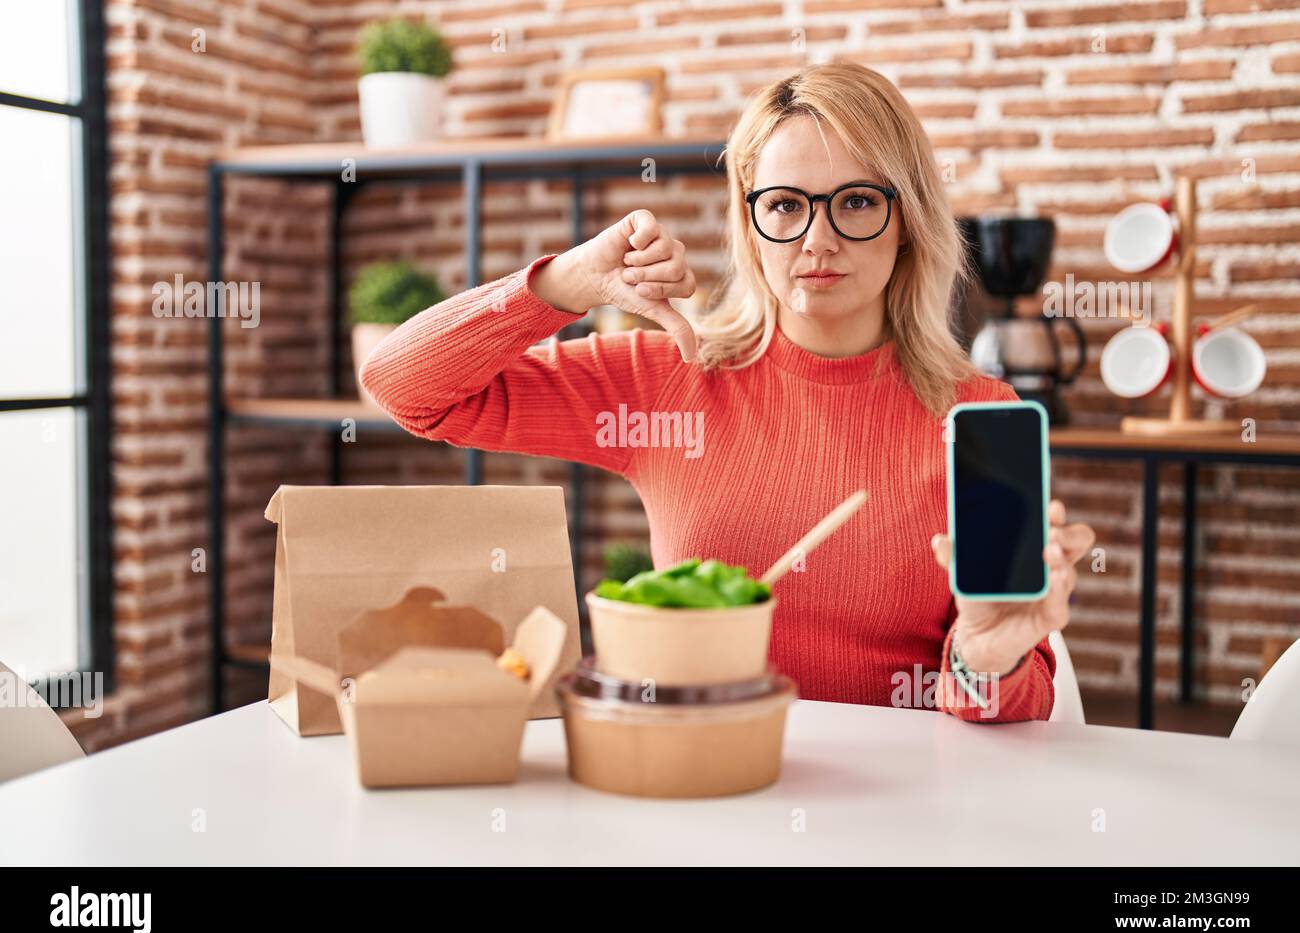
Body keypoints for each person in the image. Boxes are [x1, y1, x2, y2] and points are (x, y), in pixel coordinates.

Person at [360, 62, 1096, 722]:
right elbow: (406, 388)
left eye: (858, 202)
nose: (817, 240)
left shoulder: (979, 416)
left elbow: (1010, 708)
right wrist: (561, 285)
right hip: (704, 788)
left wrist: (983, 658)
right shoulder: (666, 377)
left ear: (906, 220)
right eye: (784, 205)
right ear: (749, 222)